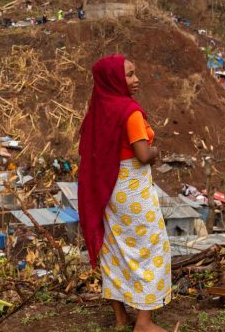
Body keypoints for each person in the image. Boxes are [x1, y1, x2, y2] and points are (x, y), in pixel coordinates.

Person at [78, 55, 170, 332]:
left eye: (134, 73)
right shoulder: (130, 112)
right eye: (129, 75)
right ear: (115, 79)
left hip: (108, 188)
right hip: (133, 190)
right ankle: (143, 322)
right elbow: (142, 155)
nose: (136, 79)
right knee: (153, 247)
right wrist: (156, 152)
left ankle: (121, 319)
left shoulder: (99, 108)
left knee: (115, 249)